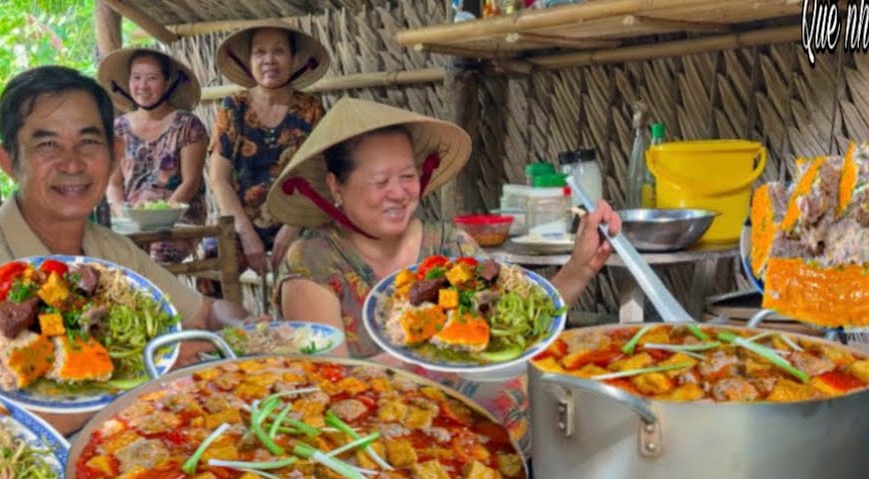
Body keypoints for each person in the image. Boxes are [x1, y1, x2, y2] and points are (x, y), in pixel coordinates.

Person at [266, 98, 621, 441]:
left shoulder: (450, 244)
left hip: (509, 439)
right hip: (403, 454)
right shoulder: (312, 262)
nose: (399, 193)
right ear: (335, 186)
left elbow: (522, 325)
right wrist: (428, 347)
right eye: (380, 182)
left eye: (407, 175)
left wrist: (581, 266)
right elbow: (331, 387)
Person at [0, 65, 250, 431]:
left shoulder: (112, 252)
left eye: (89, 141)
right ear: (7, 161)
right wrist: (150, 377)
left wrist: (248, 328)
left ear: (115, 154)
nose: (73, 163)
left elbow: (203, 314)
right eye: (47, 144)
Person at [203, 23, 330, 279]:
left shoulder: (311, 109)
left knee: (315, 257)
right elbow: (219, 179)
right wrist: (247, 236)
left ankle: (303, 317)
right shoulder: (234, 107)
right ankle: (232, 318)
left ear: (294, 60)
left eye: (279, 51)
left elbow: (320, 178)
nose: (269, 60)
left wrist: (291, 229)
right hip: (243, 221)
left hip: (299, 221)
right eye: (259, 52)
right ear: (248, 61)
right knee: (212, 258)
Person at [98, 47, 208, 263]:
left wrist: (161, 216)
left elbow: (190, 183)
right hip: (132, 219)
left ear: (167, 83)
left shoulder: (187, 125)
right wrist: (124, 215)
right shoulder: (118, 128)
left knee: (153, 257)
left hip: (177, 219)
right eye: (136, 78)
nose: (142, 86)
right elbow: (114, 184)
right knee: (101, 251)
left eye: (152, 78)